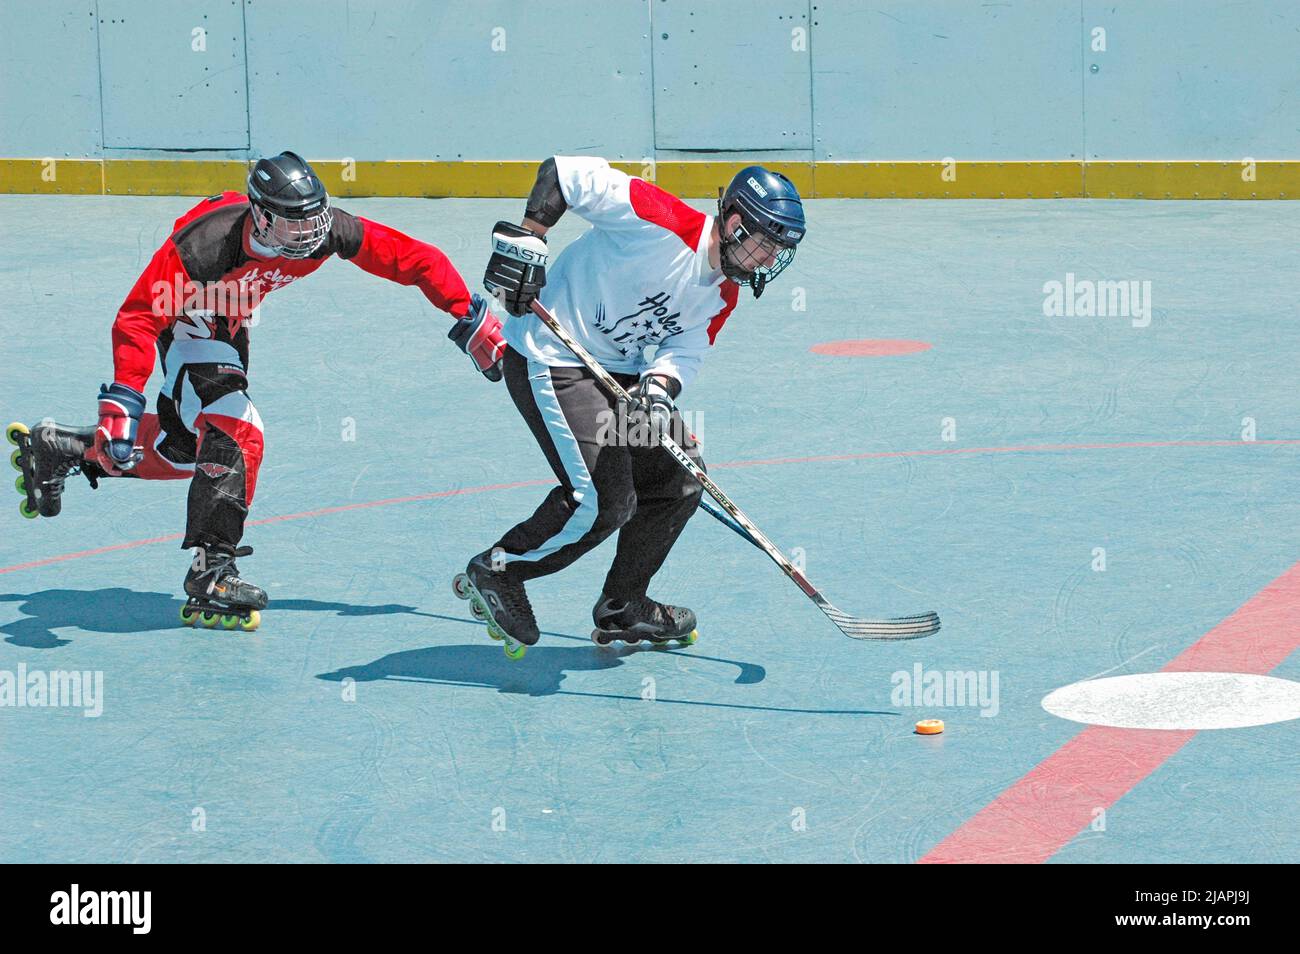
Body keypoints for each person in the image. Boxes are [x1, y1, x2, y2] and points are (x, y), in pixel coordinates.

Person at [7, 151, 504, 630]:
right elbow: (138, 317)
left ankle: (69, 449)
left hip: (229, 325)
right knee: (239, 429)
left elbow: (412, 257)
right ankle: (212, 569)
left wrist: (466, 312)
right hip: (189, 323)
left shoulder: (325, 232)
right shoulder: (204, 247)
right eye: (295, 223)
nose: (310, 234)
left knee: (190, 455)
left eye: (315, 219)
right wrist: (123, 401)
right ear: (261, 218)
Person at [453, 156, 805, 659]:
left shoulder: (723, 294)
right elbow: (564, 174)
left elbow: (684, 349)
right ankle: (500, 569)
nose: (767, 259)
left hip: (616, 374)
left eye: (777, 252)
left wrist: (658, 391)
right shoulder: (662, 221)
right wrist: (530, 238)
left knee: (681, 479)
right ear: (733, 223)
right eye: (763, 244)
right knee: (603, 500)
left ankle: (624, 605)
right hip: (550, 354)